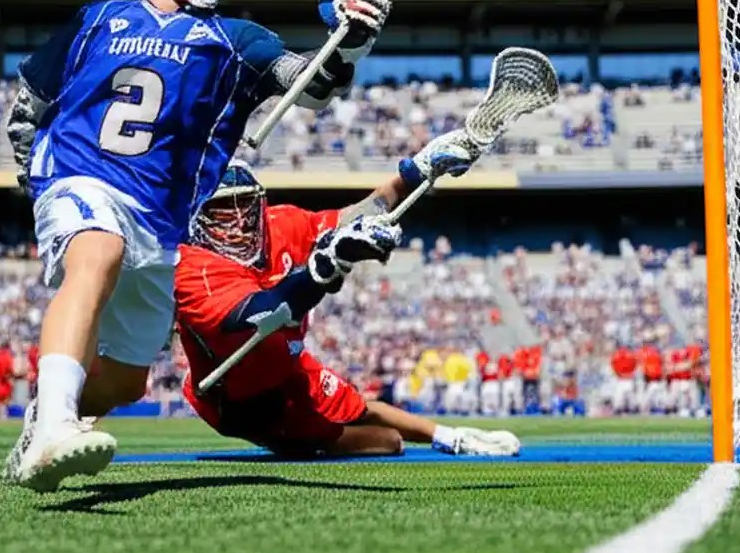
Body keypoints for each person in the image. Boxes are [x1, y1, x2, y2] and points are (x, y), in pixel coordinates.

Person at [2, 0, 394, 491]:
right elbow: (30, 104)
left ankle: (44, 421)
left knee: (129, 379)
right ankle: (58, 423)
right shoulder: (96, 20)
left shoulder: (233, 39)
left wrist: (351, 40)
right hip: (82, 176)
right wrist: (36, 175)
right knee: (97, 253)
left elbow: (311, 86)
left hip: (159, 218)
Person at [175, 154, 520, 459]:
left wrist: (414, 173)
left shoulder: (282, 223)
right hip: (241, 395)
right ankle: (297, 442)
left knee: (357, 407)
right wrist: (322, 267)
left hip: (289, 367)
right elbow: (259, 314)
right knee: (387, 442)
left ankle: (453, 437)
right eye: (221, 212)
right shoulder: (191, 265)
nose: (237, 222)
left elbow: (360, 213)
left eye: (244, 206)